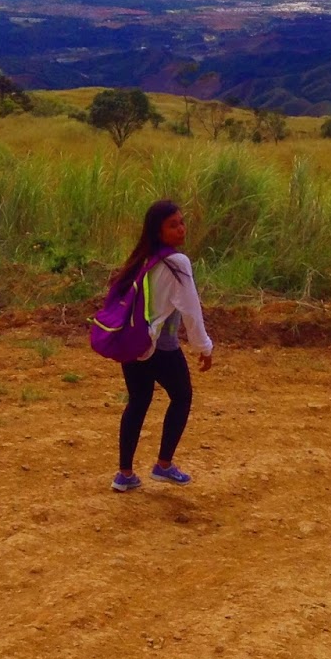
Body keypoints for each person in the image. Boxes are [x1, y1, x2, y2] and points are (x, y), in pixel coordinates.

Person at [109, 199, 214, 493]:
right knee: (182, 396)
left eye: (182, 222)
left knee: (138, 401)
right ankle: (163, 465)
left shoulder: (140, 258)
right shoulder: (177, 262)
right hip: (161, 346)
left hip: (131, 343)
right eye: (173, 225)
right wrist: (204, 347)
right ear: (158, 231)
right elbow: (191, 311)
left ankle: (124, 474)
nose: (181, 229)